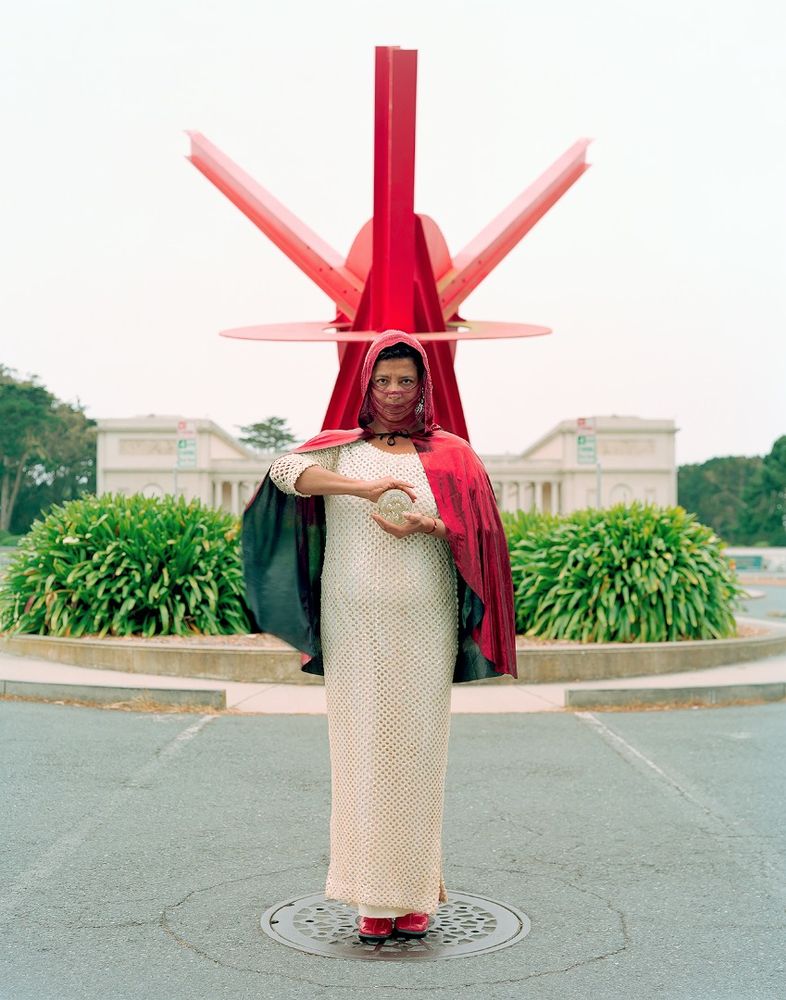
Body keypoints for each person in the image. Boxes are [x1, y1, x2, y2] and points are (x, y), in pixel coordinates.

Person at [242, 329, 516, 944]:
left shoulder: (453, 455)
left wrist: (434, 526)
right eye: (383, 380)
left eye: (407, 380)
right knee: (359, 749)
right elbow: (286, 472)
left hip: (424, 618)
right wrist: (362, 487)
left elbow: (484, 536)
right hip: (353, 624)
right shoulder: (342, 450)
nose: (394, 392)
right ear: (366, 384)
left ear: (424, 386)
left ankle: (413, 894)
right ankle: (369, 895)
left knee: (417, 752)